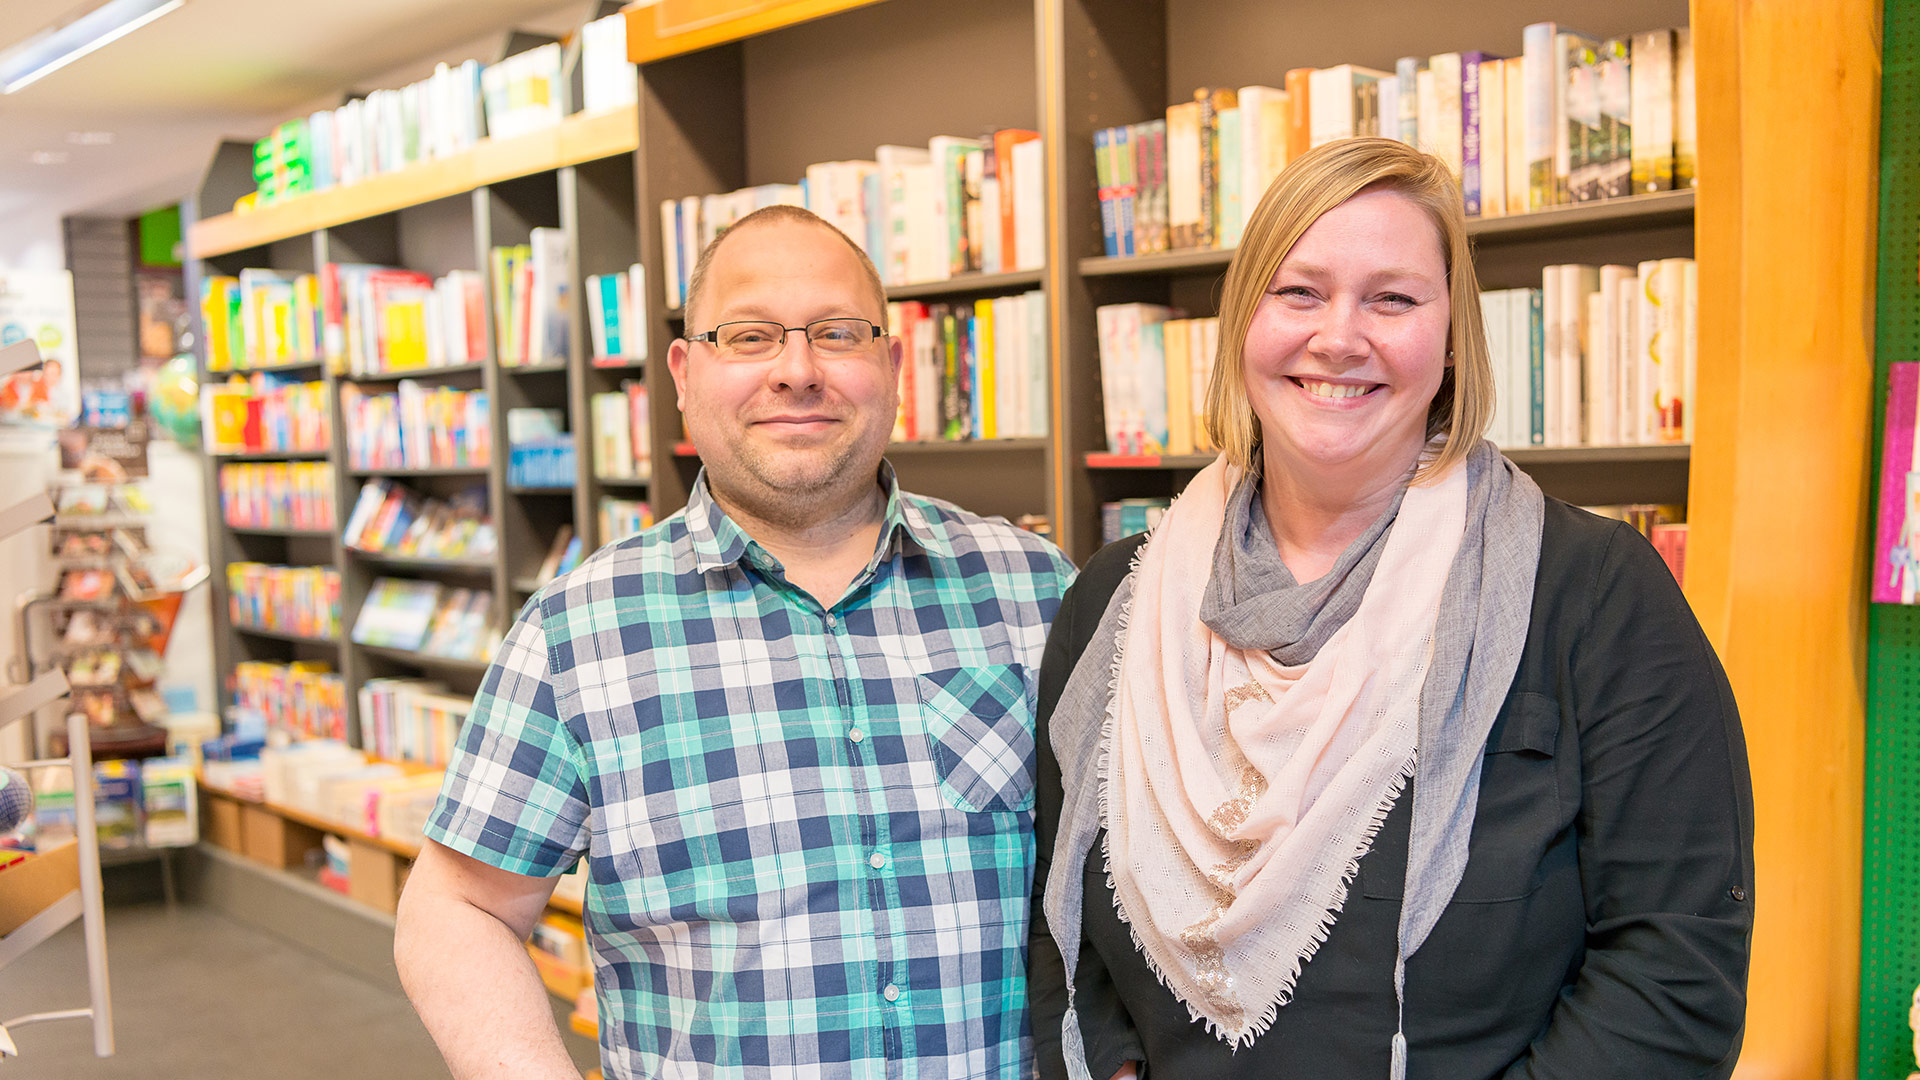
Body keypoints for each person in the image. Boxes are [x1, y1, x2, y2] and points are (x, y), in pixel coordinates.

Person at [1029, 138, 1753, 1080]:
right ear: (1243, 322)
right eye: (1299, 292)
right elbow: (1063, 928)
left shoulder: (1597, 594)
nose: (1339, 337)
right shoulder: (1113, 602)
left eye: (1393, 299)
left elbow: (1677, 969)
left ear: (1452, 340)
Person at [396, 204, 1077, 1080]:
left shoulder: (1036, 591)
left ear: (893, 366)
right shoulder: (577, 632)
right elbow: (459, 908)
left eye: (837, 333)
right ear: (685, 374)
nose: (797, 371)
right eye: (750, 337)